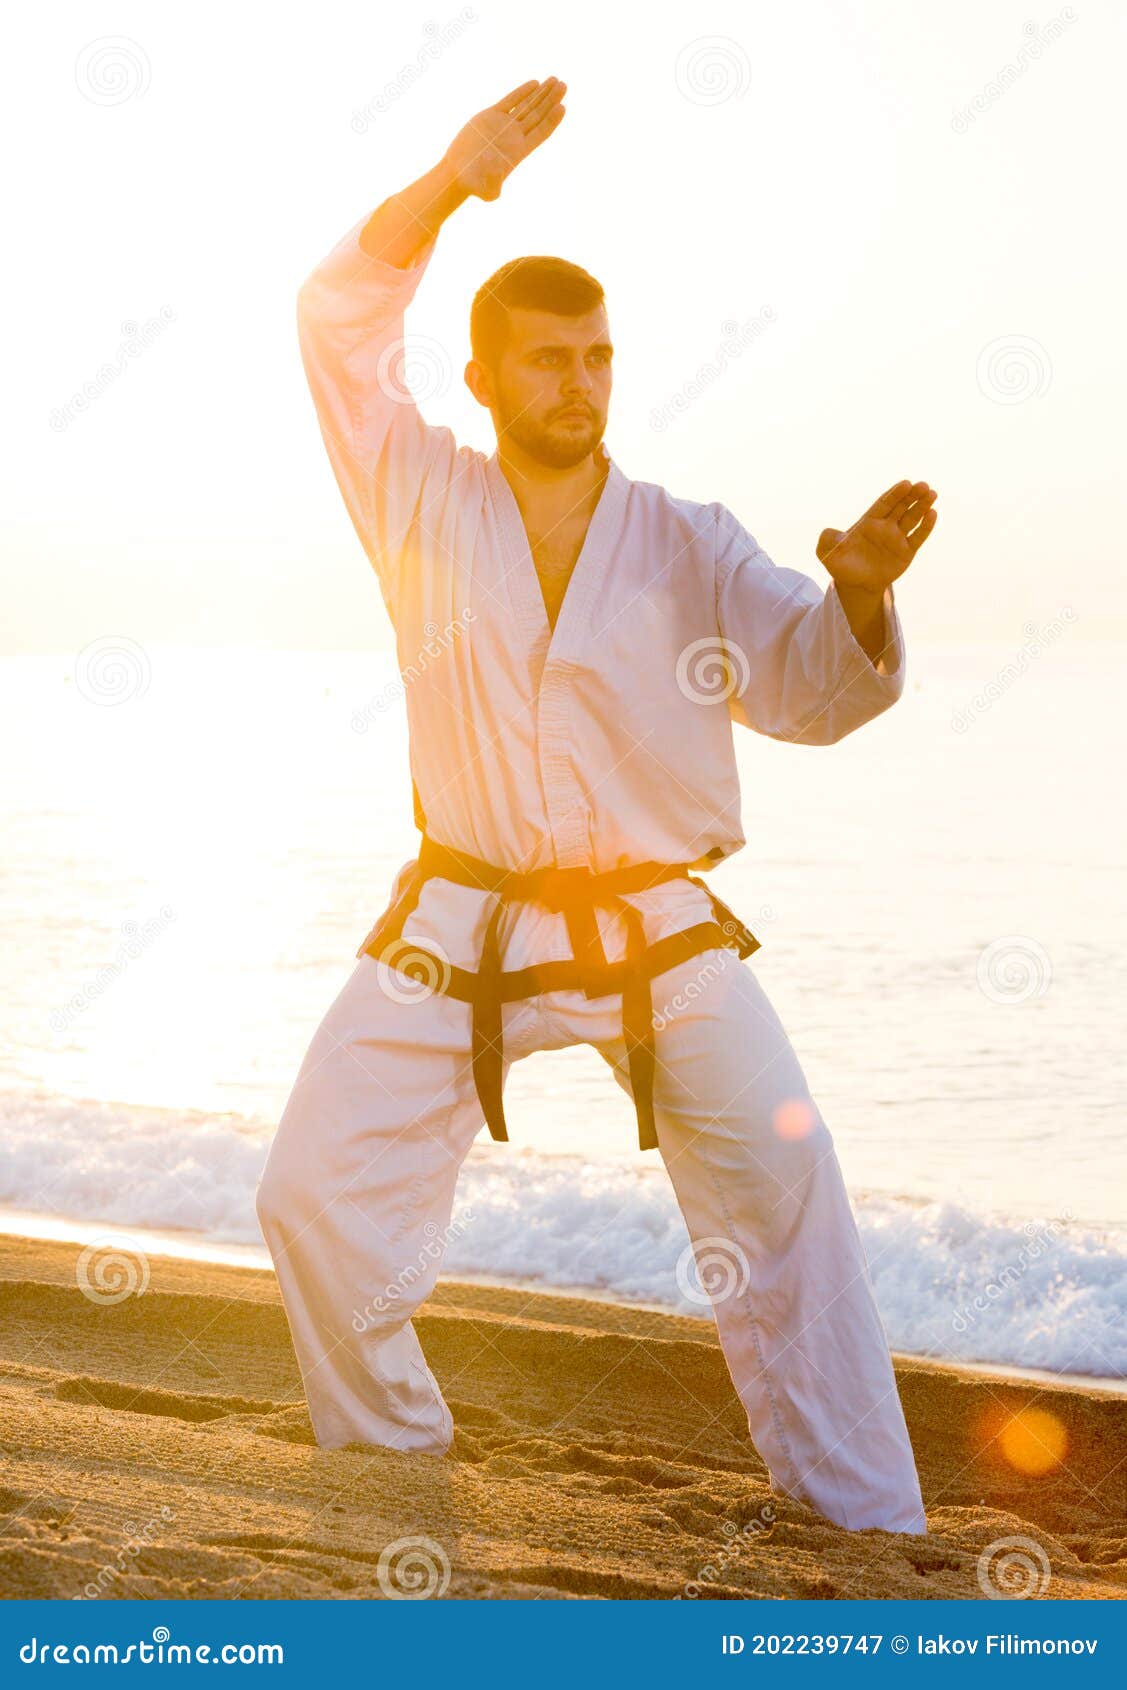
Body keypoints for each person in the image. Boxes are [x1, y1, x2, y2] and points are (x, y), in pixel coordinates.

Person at [256, 77, 937, 1535]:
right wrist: (450, 182)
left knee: (795, 1207)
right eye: (549, 360)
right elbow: (336, 321)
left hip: (658, 927)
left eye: (600, 358)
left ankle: (864, 1514)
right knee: (309, 1188)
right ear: (489, 379)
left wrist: (862, 598)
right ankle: (388, 1462)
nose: (581, 381)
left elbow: (811, 689)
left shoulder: (687, 544)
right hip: (464, 908)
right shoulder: (415, 495)